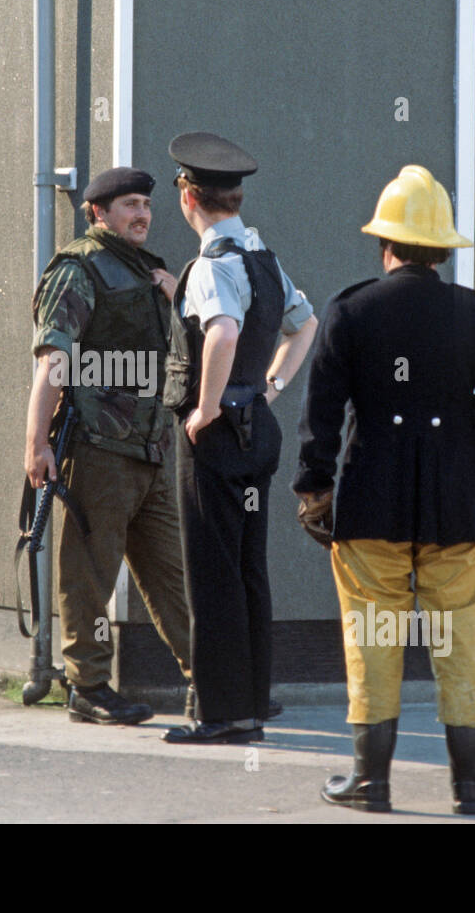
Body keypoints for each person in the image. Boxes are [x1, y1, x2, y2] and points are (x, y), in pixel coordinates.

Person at [294, 165, 475, 813]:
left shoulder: (351, 310)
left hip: (370, 507)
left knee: (372, 642)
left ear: (385, 245)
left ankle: (372, 782)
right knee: (460, 648)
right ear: (443, 249)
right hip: (458, 510)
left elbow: (321, 416)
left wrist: (315, 491)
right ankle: (470, 787)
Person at [160, 132, 317, 745]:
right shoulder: (264, 259)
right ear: (236, 197)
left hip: (219, 440)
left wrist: (203, 409)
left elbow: (222, 334)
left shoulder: (213, 266)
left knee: (212, 572)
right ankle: (250, 704)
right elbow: (305, 325)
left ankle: (221, 715)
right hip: (258, 432)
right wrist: (269, 388)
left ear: (188, 198)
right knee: (249, 569)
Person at [25, 166, 192, 724]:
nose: (142, 214)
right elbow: (54, 360)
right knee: (90, 575)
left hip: (151, 451)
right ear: (98, 212)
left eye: (146, 203)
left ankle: (215, 680)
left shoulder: (150, 271)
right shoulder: (80, 268)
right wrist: (36, 444)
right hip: (98, 448)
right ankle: (90, 687)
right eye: (129, 205)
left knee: (176, 576)